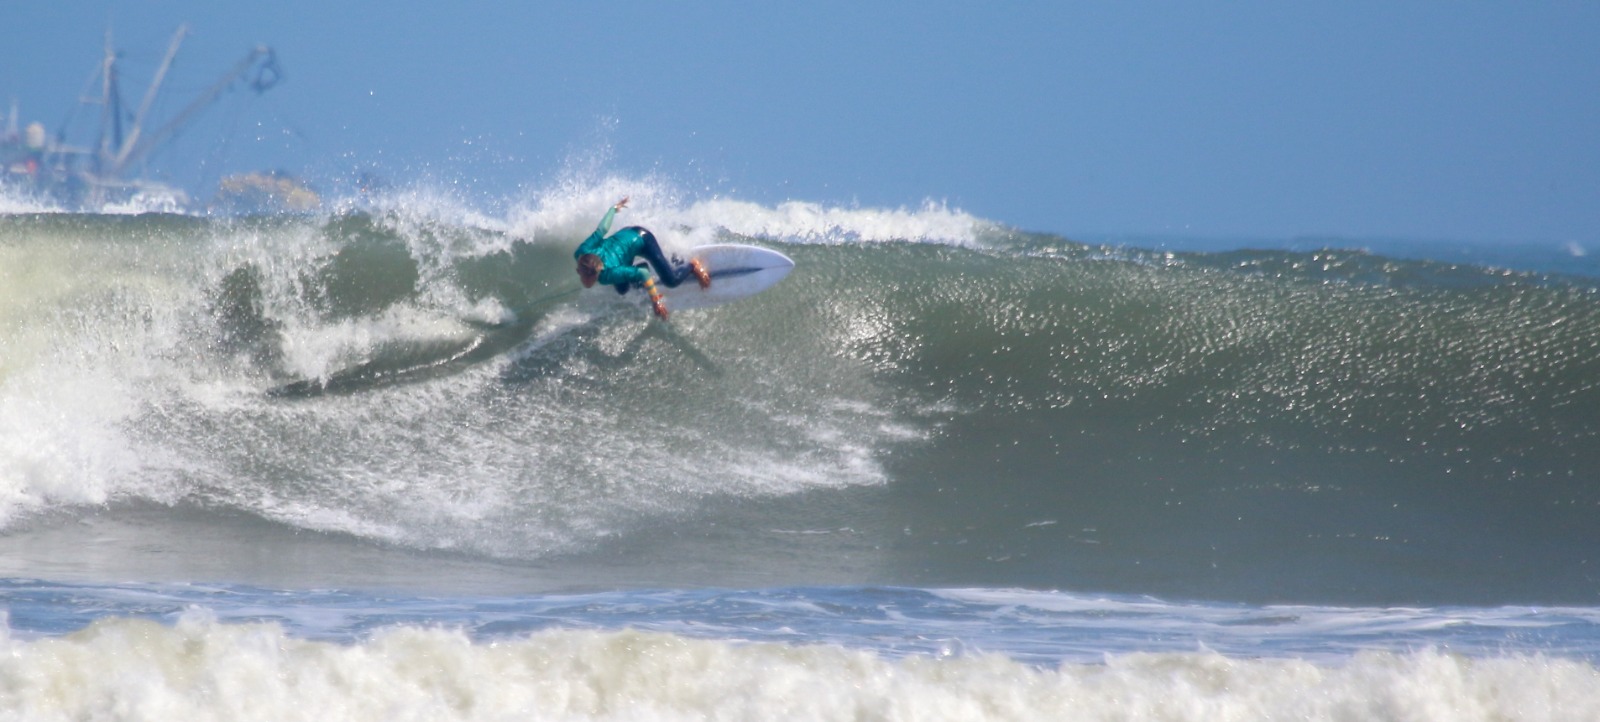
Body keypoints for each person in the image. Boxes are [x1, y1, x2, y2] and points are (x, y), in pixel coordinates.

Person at [574, 197, 709, 319]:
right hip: (624, 238)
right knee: (622, 289)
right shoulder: (582, 252)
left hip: (642, 239)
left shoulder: (609, 274)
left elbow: (642, 274)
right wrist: (613, 209)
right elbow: (601, 230)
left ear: (599, 270)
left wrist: (656, 300)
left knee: (671, 281)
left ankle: (692, 266)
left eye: (591, 278)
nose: (587, 282)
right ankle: (641, 269)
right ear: (579, 270)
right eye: (585, 277)